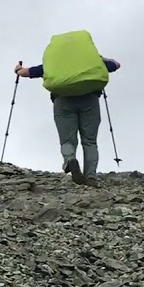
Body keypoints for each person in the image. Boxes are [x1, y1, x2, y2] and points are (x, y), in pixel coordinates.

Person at [13, 30, 120, 185]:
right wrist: (99, 58)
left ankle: (70, 160)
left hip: (62, 101)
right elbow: (115, 64)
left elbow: (25, 73)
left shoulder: (53, 65)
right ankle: (91, 176)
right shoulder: (92, 63)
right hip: (89, 100)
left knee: (67, 140)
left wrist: (18, 68)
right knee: (90, 141)